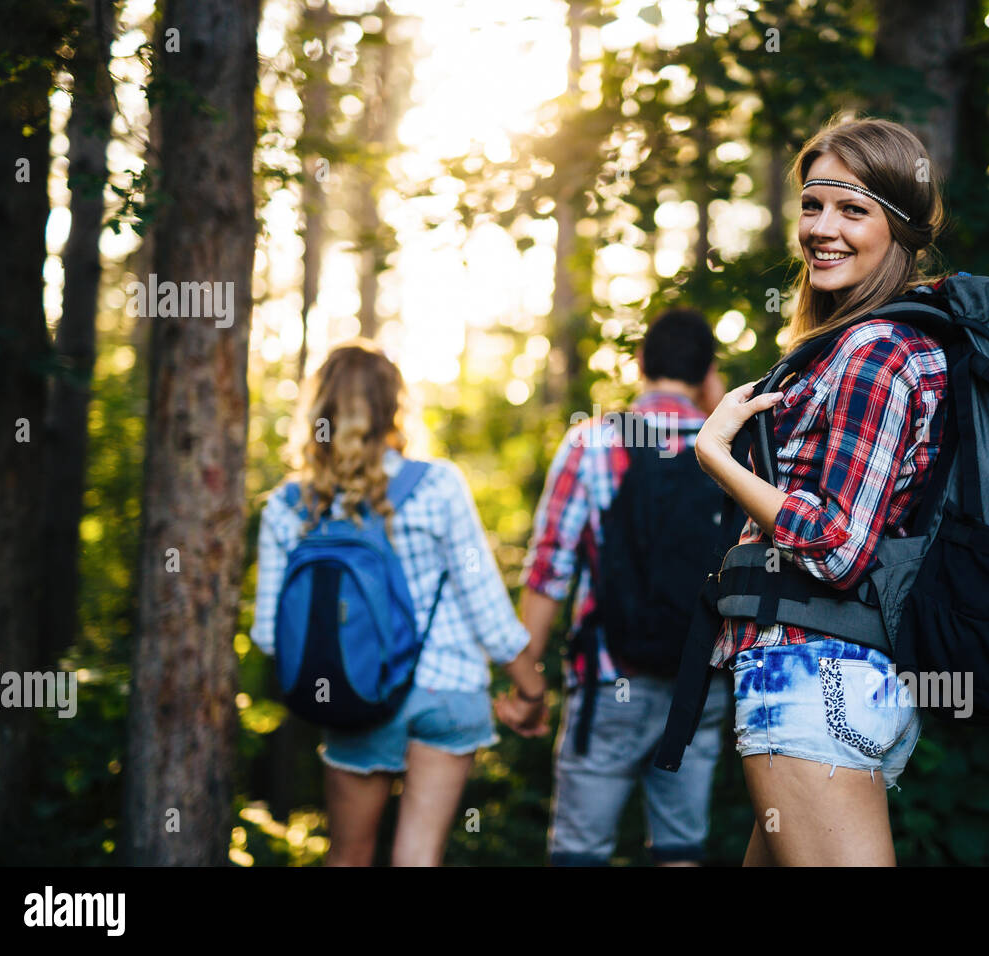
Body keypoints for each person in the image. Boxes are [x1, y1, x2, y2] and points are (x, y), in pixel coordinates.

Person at [693, 116, 951, 866]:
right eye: (813, 204)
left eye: (853, 208)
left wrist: (717, 455)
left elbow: (835, 545)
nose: (823, 227)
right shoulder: (873, 341)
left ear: (899, 228)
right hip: (835, 676)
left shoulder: (875, 351)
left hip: (814, 679)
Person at [250, 341, 548, 866]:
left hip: (354, 692)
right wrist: (530, 688)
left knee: (348, 858)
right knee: (417, 857)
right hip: (447, 688)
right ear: (394, 407)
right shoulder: (436, 486)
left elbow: (272, 636)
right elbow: (486, 606)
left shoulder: (287, 506)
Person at [514, 308, 730, 867]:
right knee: (681, 849)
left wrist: (526, 679)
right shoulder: (731, 452)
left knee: (581, 852)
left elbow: (549, 570)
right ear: (709, 371)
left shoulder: (593, 442)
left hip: (608, 679)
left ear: (640, 363)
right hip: (697, 685)